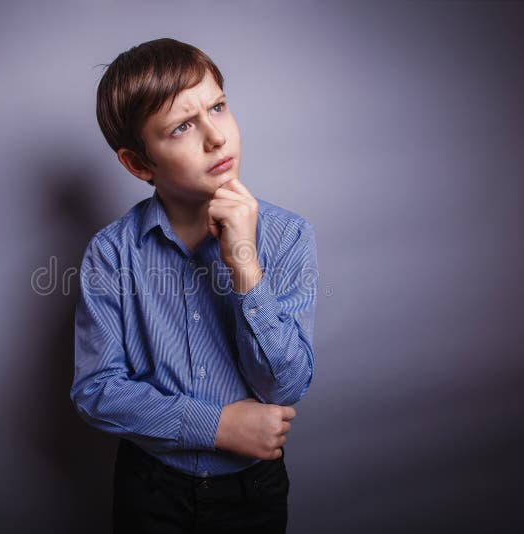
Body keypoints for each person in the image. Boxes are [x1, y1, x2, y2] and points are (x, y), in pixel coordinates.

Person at [70, 37, 318, 534]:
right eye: (182, 126)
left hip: (250, 492)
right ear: (139, 164)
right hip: (152, 487)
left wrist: (244, 263)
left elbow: (285, 386)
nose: (216, 137)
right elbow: (97, 390)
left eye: (218, 108)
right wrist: (219, 427)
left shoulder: (288, 235)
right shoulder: (112, 253)